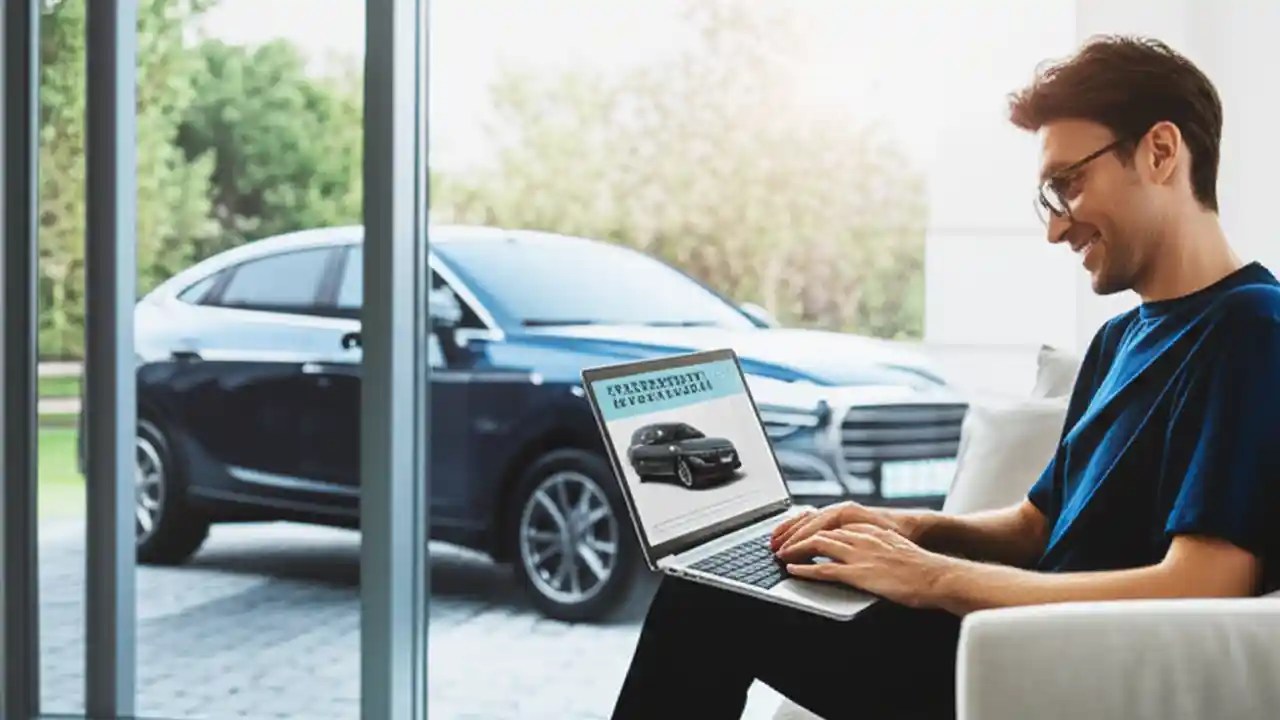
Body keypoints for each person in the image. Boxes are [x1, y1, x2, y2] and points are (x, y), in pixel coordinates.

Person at [609, 34, 1280, 720]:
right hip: (1005, 643)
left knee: (707, 605)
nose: (1056, 230)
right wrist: (906, 529)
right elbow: (1033, 526)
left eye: (1068, 185)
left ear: (1161, 152)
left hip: (1064, 675)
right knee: (726, 584)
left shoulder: (1252, 329)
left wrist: (934, 579)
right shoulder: (1118, 340)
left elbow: (1205, 583)